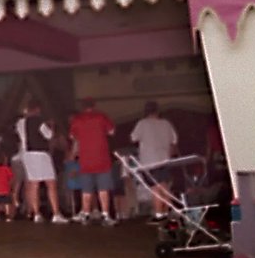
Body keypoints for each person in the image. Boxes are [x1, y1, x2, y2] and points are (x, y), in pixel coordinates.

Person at [69, 97, 118, 226]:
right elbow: (112, 131)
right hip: (102, 158)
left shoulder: (77, 120)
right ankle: (106, 215)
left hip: (85, 159)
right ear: (94, 105)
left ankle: (85, 214)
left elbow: (73, 136)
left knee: (86, 190)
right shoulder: (101, 117)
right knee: (103, 189)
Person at [16, 99, 66, 223]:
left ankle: (36, 213)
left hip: (27, 154)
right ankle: (56, 213)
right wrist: (51, 126)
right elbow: (49, 135)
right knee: (51, 183)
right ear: (38, 109)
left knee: (34, 184)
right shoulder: (39, 121)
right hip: (41, 153)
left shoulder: (20, 123)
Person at [130, 100, 179, 222]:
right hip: (165, 159)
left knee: (155, 188)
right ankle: (167, 211)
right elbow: (174, 140)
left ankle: (159, 214)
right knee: (165, 187)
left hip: (149, 161)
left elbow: (133, 138)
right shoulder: (166, 124)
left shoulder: (142, 123)